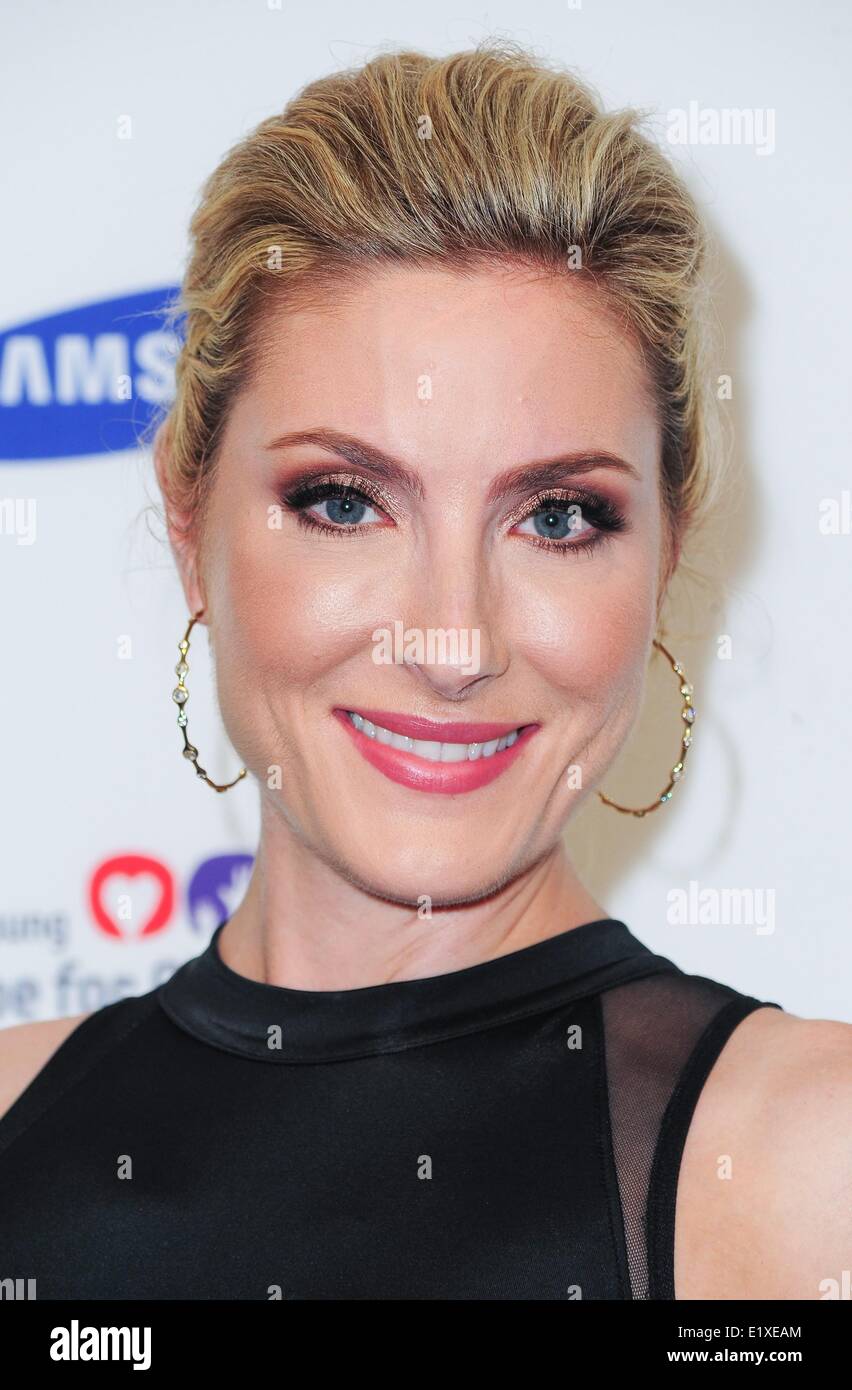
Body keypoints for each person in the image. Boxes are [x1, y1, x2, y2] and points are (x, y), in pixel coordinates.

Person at [0, 42, 849, 1301]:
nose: (453, 642)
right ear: (189, 520)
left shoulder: (810, 1162)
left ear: (666, 550)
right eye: (345, 501)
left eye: (556, 517)